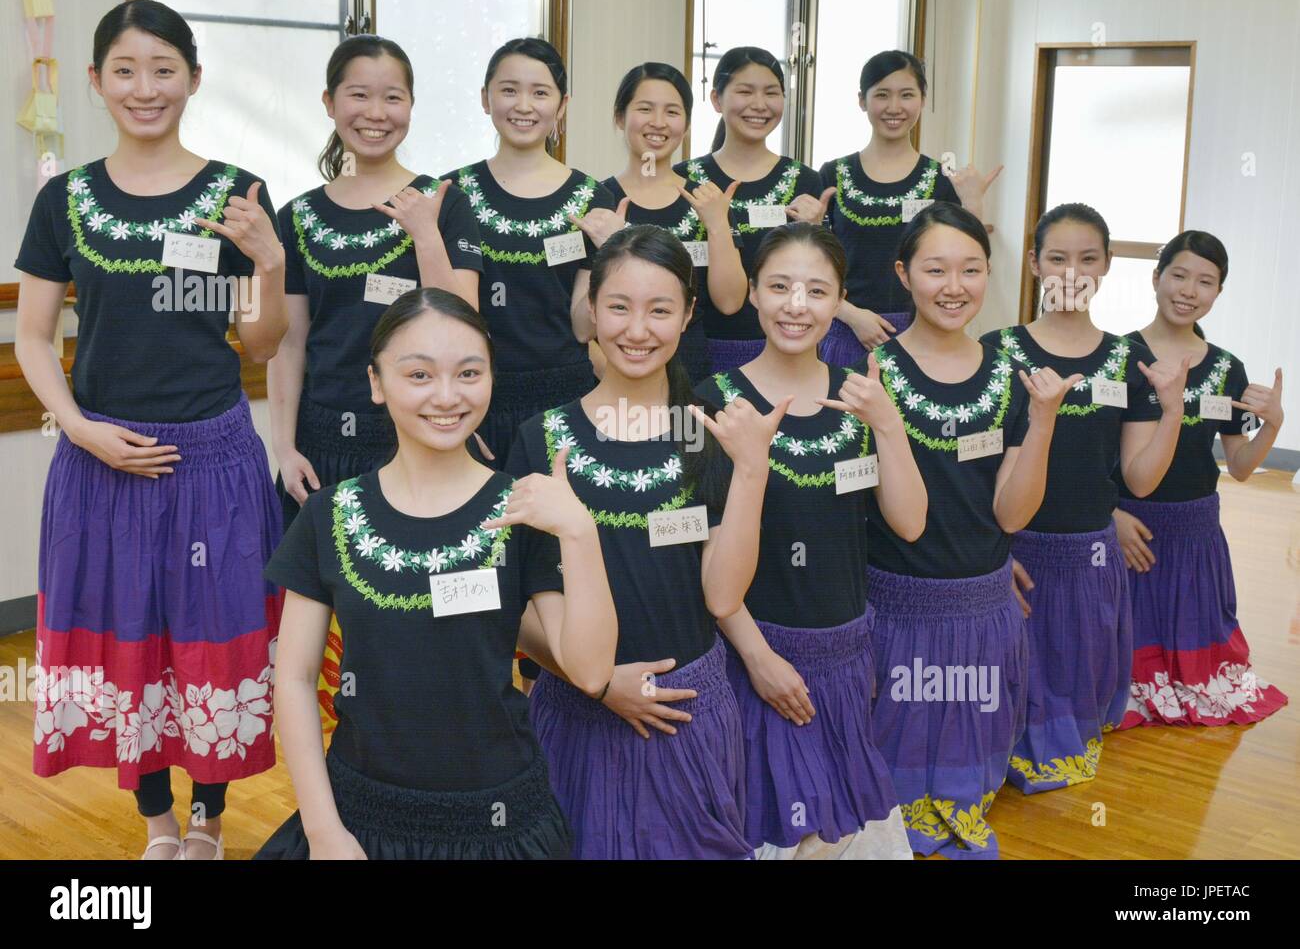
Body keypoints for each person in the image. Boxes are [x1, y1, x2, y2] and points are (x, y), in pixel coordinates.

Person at [16, 0, 287, 860]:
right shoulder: (65, 200)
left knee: (212, 642)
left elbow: (260, 341)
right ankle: (159, 824)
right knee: (130, 640)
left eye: (164, 69)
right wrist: (77, 428)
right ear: (95, 83)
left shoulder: (236, 195)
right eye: (126, 70)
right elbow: (31, 334)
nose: (146, 87)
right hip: (102, 461)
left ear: (194, 79)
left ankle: (209, 819)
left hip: (214, 459)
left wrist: (271, 262)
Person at [255, 288, 617, 859]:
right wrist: (324, 832)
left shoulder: (523, 510)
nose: (446, 396)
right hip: (358, 820)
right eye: (419, 375)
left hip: (499, 824)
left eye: (468, 373)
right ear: (376, 383)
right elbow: (295, 680)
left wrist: (580, 532)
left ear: (491, 378)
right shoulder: (329, 514)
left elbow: (591, 671)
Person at [507, 225, 784, 859]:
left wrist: (751, 472)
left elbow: (722, 594)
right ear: (592, 312)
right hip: (577, 715)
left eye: (660, 309)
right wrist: (600, 685)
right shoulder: (545, 438)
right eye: (619, 307)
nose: (638, 330)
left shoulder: (703, 428)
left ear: (688, 315)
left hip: (688, 709)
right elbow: (516, 610)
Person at [269, 34, 483, 733]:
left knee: (425, 625)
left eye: (393, 96)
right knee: (327, 648)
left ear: (412, 106)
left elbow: (465, 325)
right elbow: (289, 342)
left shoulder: (445, 203)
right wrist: (282, 444)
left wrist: (425, 232)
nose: (375, 111)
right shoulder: (298, 217)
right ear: (330, 103)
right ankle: (349, 786)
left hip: (419, 448)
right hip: (321, 454)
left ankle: (423, 768)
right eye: (358, 94)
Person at [695, 222, 925, 859]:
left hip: (846, 652)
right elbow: (703, 559)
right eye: (780, 286)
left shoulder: (861, 398)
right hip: (756, 658)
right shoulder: (717, 405)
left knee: (841, 835)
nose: (797, 305)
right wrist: (760, 659)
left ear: (839, 301)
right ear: (753, 295)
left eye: (817, 290)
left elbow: (909, 523)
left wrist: (888, 425)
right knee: (771, 833)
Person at [864, 202, 1073, 857]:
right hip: (893, 603)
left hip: (980, 604)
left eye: (971, 269)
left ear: (990, 274)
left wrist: (1043, 421)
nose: (954, 286)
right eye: (935, 268)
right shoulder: (869, 375)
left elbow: (1012, 514)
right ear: (903, 273)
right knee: (892, 753)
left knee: (969, 743)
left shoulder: (1012, 381)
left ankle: (957, 798)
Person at [980, 203, 1190, 794]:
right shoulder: (996, 352)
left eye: (1087, 259)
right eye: (1057, 258)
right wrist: (992, 553)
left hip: (1087, 555)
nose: (1071, 272)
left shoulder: (1129, 361)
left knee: (1073, 676)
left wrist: (1172, 410)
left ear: (1107, 266)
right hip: (1013, 552)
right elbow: (977, 474)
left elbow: (1140, 479)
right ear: (1033, 264)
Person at [1113, 230, 1288, 727]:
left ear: (1218, 292)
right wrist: (1112, 514)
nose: (1189, 290)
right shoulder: (1120, 357)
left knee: (1203, 665)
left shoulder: (1229, 368)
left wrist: (1274, 423)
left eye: (1205, 281)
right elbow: (1088, 455)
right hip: (1134, 531)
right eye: (1180, 275)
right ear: (1156, 278)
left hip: (1196, 533)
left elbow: (1240, 467)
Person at [444, 37, 615, 466]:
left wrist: (609, 253)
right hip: (476, 399)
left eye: (540, 92)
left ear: (561, 106)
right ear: (486, 98)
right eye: (509, 90)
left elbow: (581, 329)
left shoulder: (593, 198)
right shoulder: (451, 194)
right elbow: (441, 312)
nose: (524, 105)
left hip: (566, 399)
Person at [818, 50, 1001, 365]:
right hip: (846, 331)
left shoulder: (942, 180)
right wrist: (849, 314)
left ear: (923, 100)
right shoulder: (832, 174)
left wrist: (973, 202)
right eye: (882, 95)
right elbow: (815, 263)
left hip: (926, 333)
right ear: (862, 100)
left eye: (906, 95)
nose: (894, 108)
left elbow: (965, 259)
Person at [674, 46, 826, 374]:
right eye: (745, 91)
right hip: (698, 349)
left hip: (787, 347)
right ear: (716, 99)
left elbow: (822, 276)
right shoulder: (682, 180)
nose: (759, 104)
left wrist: (815, 230)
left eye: (771, 93)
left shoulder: (806, 181)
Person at [596, 61, 746, 384]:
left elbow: (731, 301)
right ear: (620, 117)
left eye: (673, 112)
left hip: (690, 369)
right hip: (617, 363)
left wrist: (718, 223)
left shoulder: (708, 200)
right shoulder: (598, 199)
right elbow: (581, 313)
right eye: (645, 109)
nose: (658, 123)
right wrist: (604, 366)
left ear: (687, 125)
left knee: (686, 436)